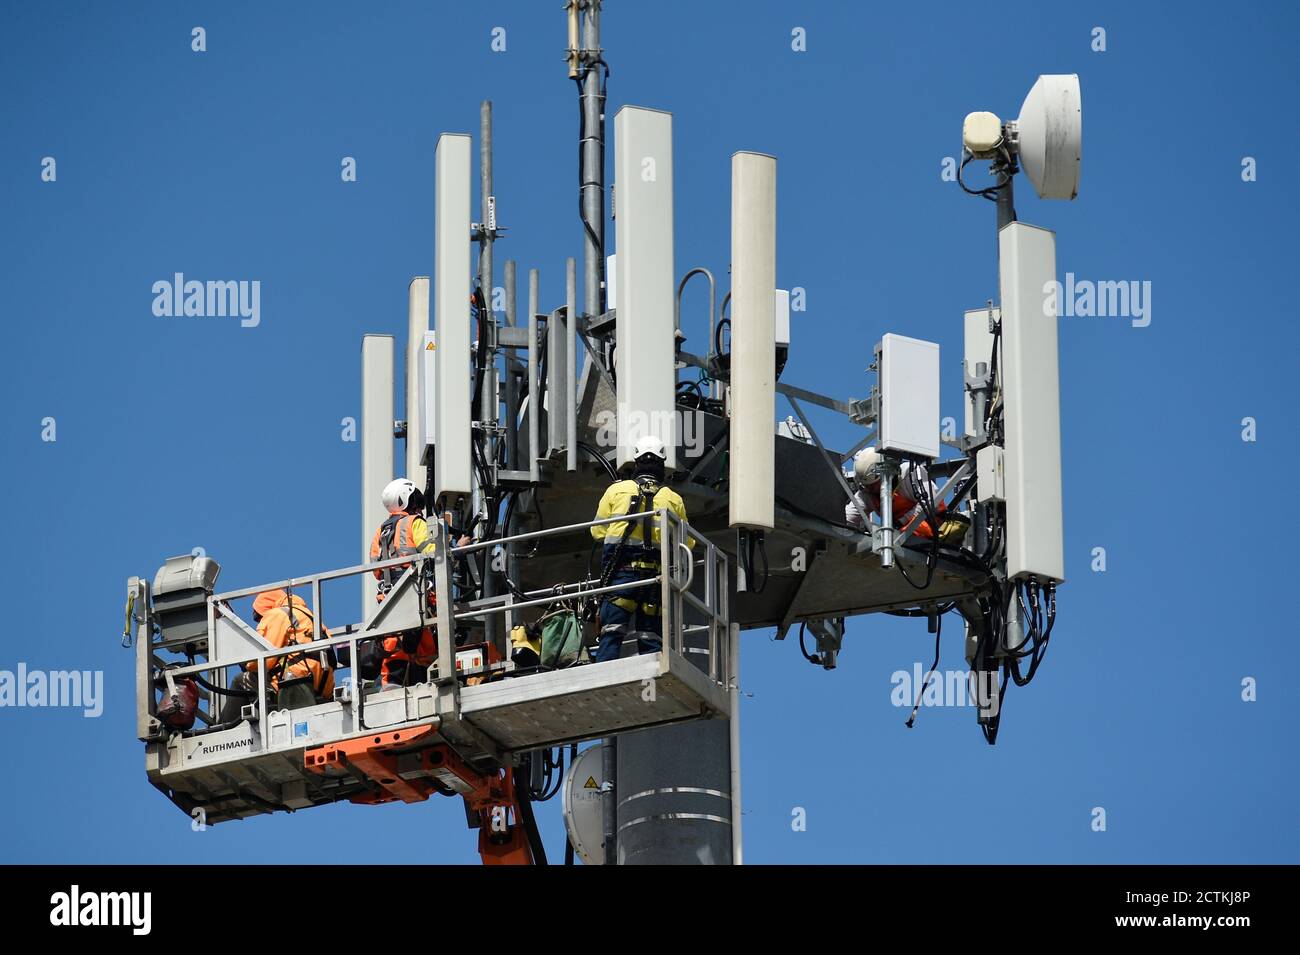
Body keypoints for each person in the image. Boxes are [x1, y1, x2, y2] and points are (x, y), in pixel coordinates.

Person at [589, 436, 690, 663]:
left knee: (612, 631)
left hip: (621, 575)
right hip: (655, 579)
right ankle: (653, 682)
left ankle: (605, 675)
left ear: (636, 462)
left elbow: (597, 532)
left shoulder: (617, 490)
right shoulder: (673, 499)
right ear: (662, 464)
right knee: (651, 637)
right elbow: (687, 543)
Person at [368, 478, 440, 689]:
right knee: (424, 643)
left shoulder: (381, 531)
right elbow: (432, 552)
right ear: (405, 500)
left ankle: (392, 686)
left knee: (394, 645)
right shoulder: (414, 523)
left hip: (389, 598)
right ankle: (426, 684)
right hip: (416, 593)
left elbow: (377, 569)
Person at [220, 589, 333, 722]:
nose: (261, 621)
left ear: (265, 609)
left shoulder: (277, 615)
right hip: (321, 690)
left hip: (293, 686)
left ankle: (222, 729)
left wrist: (246, 661)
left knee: (240, 681)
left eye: (260, 617)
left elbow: (260, 662)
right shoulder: (311, 618)